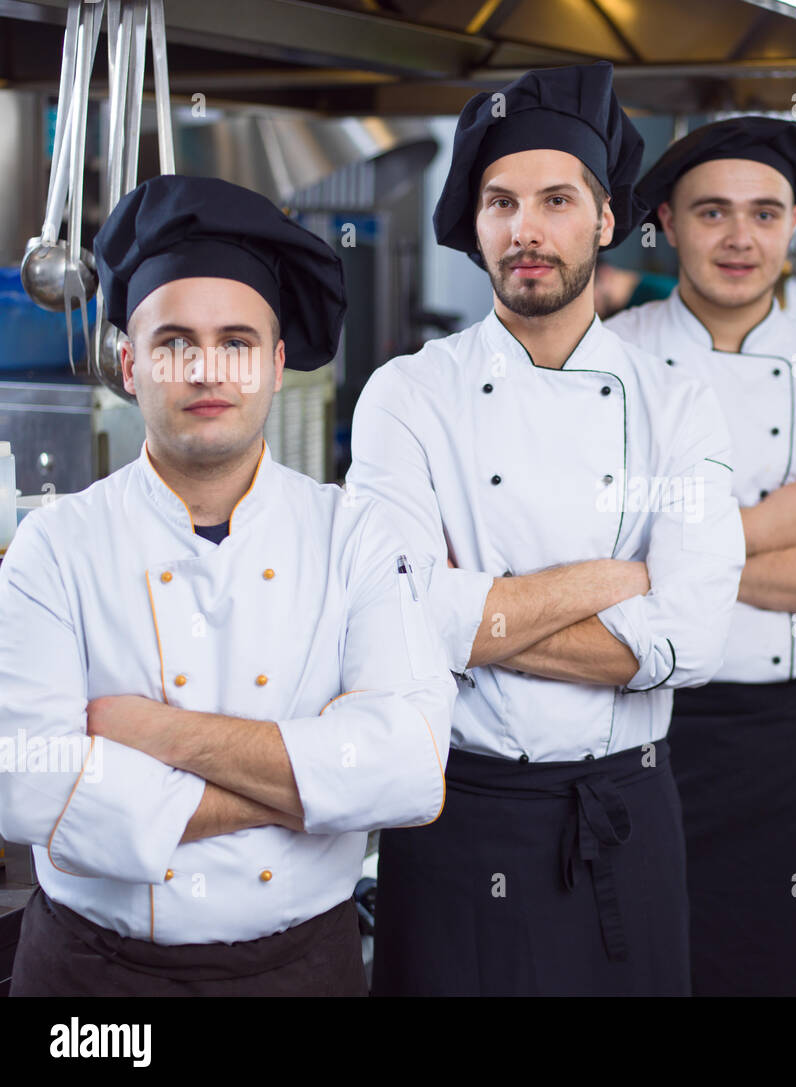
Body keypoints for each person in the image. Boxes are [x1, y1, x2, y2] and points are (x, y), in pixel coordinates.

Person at [0, 175, 455, 997]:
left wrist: (158, 736)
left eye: (238, 340)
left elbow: (412, 768)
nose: (208, 367)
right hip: (92, 978)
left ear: (277, 365)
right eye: (175, 341)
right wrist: (314, 787)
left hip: (297, 971)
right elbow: (25, 778)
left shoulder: (353, 536)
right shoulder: (53, 547)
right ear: (130, 364)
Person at [347, 61, 746, 997]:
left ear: (606, 220)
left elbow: (694, 636)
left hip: (626, 813)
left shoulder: (678, 402)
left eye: (557, 199)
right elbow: (397, 623)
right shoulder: (407, 394)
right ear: (476, 224)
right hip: (457, 816)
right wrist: (618, 578)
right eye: (501, 201)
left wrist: (477, 617)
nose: (526, 229)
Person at [605, 117, 796, 996]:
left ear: (793, 226)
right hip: (649, 732)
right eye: (712, 213)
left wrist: (685, 555)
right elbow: (582, 562)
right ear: (667, 220)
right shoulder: (610, 361)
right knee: (659, 963)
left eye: (765, 214)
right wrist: (773, 527)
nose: (741, 238)